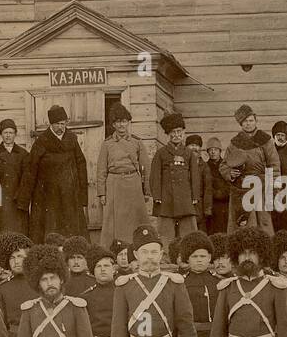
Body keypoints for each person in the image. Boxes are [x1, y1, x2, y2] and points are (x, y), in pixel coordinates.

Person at [18, 105, 91, 242]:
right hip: (47, 196)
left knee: (72, 231)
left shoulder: (71, 139)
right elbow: (31, 169)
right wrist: (24, 199)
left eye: (63, 123)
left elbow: (81, 165)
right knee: (50, 229)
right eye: (57, 124)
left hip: (69, 194)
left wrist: (83, 195)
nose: (61, 127)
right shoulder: (41, 141)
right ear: (50, 124)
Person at [96, 103, 150, 247]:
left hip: (133, 183)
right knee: (113, 221)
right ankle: (112, 250)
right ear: (113, 124)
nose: (121, 125)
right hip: (114, 184)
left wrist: (146, 190)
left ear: (128, 122)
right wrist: (102, 193)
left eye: (124, 121)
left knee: (136, 219)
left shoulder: (136, 142)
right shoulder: (107, 144)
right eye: (118, 122)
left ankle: (138, 247)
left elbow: (145, 168)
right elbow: (101, 170)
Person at [224, 104, 280, 235]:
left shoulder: (265, 140)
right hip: (240, 187)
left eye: (251, 120)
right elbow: (224, 164)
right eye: (245, 121)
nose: (248, 124)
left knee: (263, 222)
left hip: (262, 186)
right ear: (241, 124)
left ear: (255, 121)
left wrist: (274, 189)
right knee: (242, 223)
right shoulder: (234, 143)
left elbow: (274, 165)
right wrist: (230, 173)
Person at [150, 112, 204, 243]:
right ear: (168, 134)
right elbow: (155, 177)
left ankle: (188, 255)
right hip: (166, 199)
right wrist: (157, 196)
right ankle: (167, 257)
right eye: (173, 132)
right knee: (165, 233)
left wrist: (195, 197)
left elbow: (195, 177)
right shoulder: (161, 153)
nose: (176, 135)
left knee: (189, 232)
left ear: (184, 132)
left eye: (179, 131)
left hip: (186, 199)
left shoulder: (189, 153)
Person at [0, 118, 30, 235]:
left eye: (11, 132)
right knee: (1, 229)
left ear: (15, 134)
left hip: (17, 196)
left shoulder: (23, 153)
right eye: (5, 133)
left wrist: (21, 195)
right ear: (1, 134)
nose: (8, 136)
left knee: (18, 229)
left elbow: (27, 177)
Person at [204, 138, 231, 235]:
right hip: (212, 205)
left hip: (226, 205)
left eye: (215, 149)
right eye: (210, 150)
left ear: (220, 151)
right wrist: (214, 193)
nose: (213, 152)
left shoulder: (227, 166)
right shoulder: (205, 167)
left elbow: (231, 183)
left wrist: (222, 193)